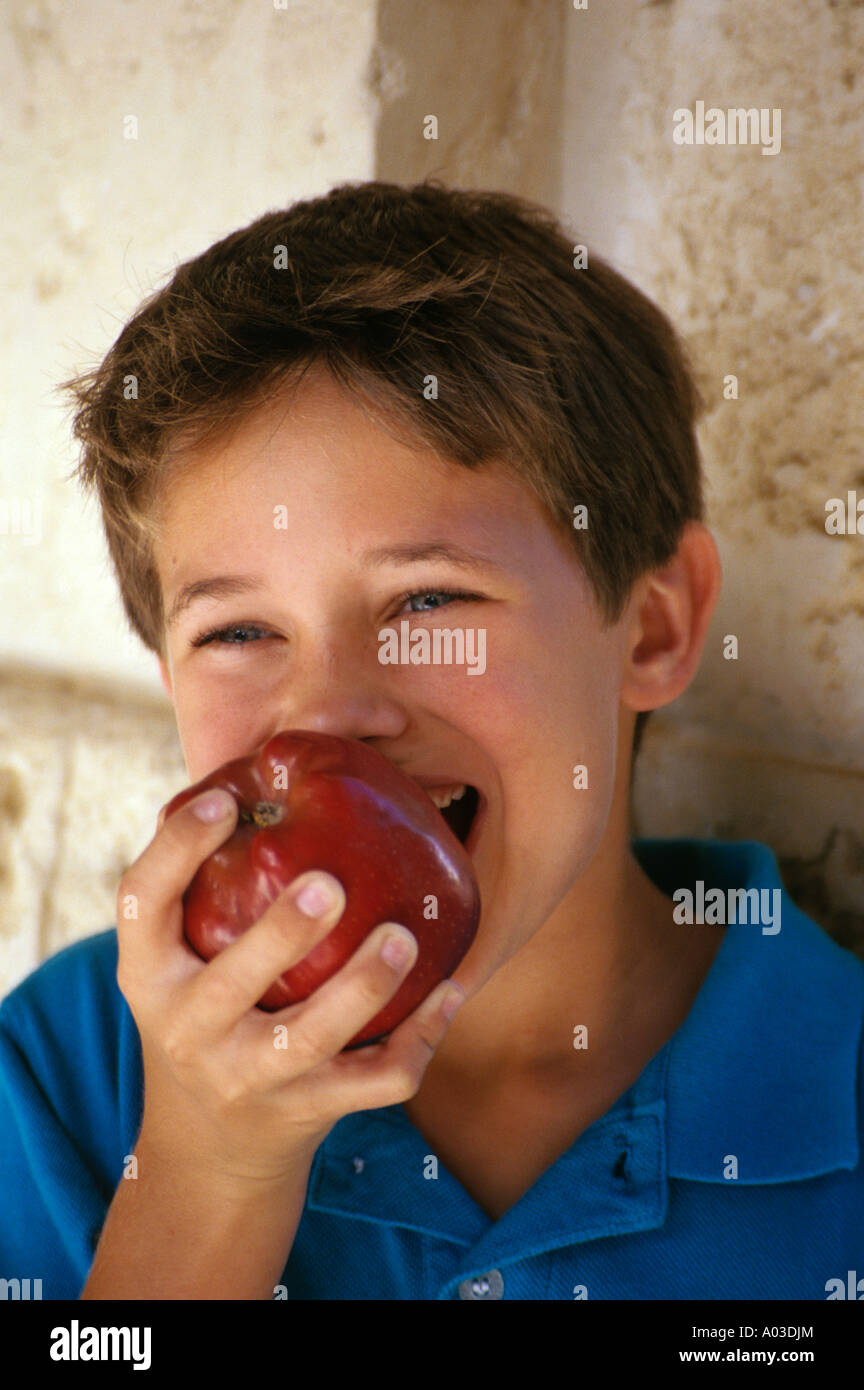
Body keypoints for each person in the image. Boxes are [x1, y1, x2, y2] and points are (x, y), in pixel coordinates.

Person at [1, 181, 861, 1301]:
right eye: (242, 629)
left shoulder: (833, 1086)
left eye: (427, 603)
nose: (327, 711)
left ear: (653, 628)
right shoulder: (60, 1080)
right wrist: (204, 1183)